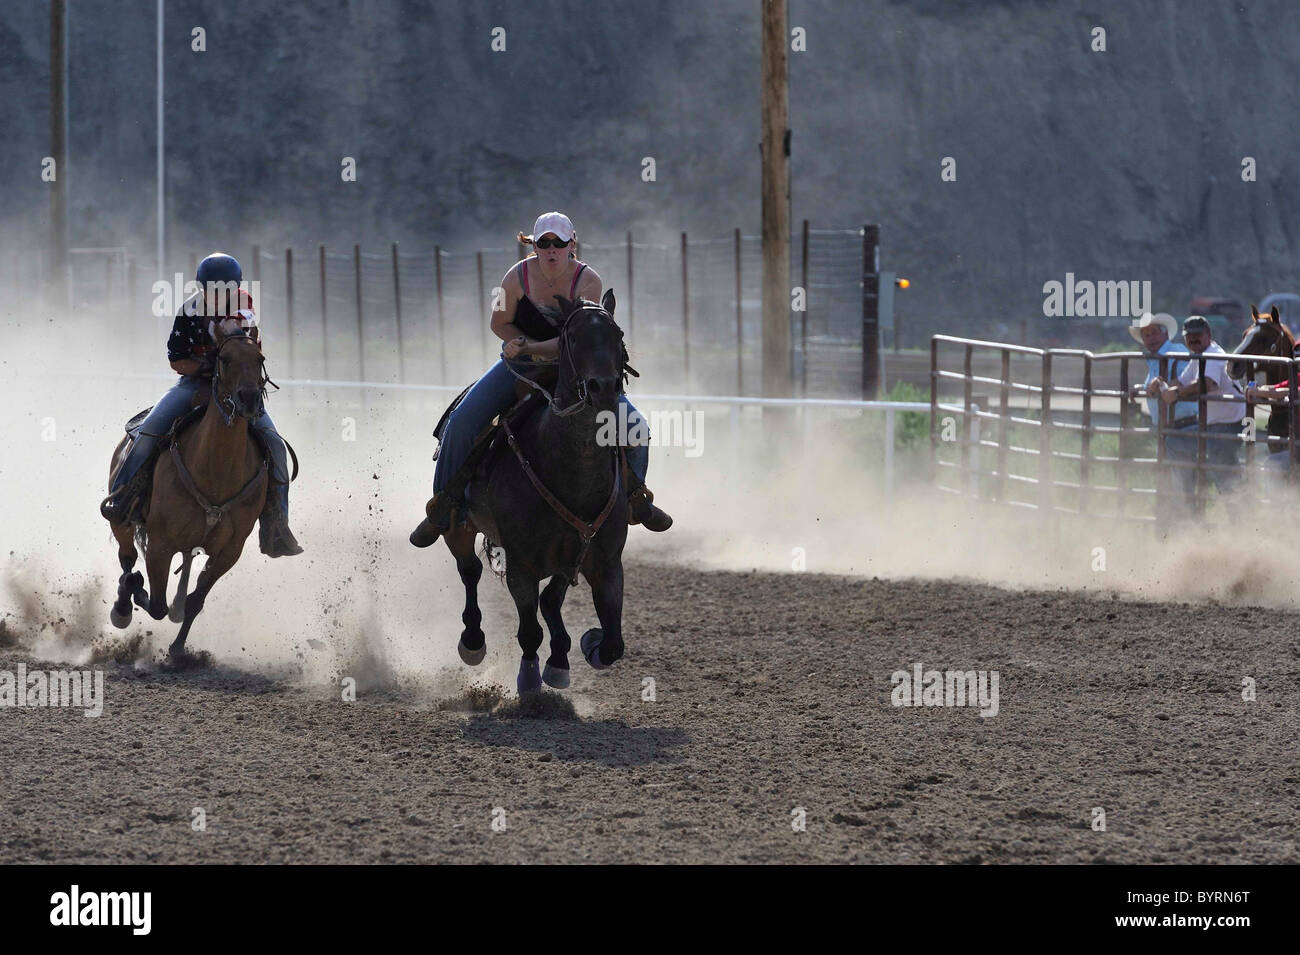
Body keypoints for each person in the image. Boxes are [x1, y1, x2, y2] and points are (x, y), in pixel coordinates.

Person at [410, 211, 672, 547]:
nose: (551, 249)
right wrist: (515, 343)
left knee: (636, 428)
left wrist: (529, 346)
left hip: (573, 372)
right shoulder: (513, 278)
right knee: (460, 423)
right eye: (543, 242)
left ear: (571, 244)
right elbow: (498, 322)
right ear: (533, 246)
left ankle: (635, 499)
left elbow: (575, 337)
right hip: (520, 367)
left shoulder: (589, 282)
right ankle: (443, 509)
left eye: (558, 242)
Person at [100, 252, 303, 558]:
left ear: (236, 288)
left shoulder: (245, 304)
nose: (221, 295)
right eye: (214, 289)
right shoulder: (188, 311)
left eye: (227, 289)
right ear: (202, 289)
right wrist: (204, 368)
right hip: (195, 385)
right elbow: (176, 359)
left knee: (274, 444)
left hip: (236, 388)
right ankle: (123, 497)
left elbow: (244, 339)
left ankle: (276, 524)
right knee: (150, 429)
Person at [1149, 315, 1246, 497]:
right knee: (1174, 442)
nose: (1193, 339)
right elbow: (1182, 381)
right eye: (1189, 335)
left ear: (1208, 334)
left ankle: (1235, 512)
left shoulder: (1213, 355)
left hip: (1231, 425)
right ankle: (1188, 497)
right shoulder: (1199, 356)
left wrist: (1176, 394)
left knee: (1225, 475)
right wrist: (1162, 386)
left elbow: (1206, 383)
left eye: (1197, 334)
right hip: (1218, 424)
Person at [1126, 312, 1188, 426]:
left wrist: (1160, 387)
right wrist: (1139, 389)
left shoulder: (1177, 351)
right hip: (1169, 425)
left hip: (1183, 424)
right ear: (1143, 340)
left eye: (1154, 333)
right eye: (1146, 336)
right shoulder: (1154, 359)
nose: (1151, 339)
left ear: (1165, 334)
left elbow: (1187, 380)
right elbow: (1151, 387)